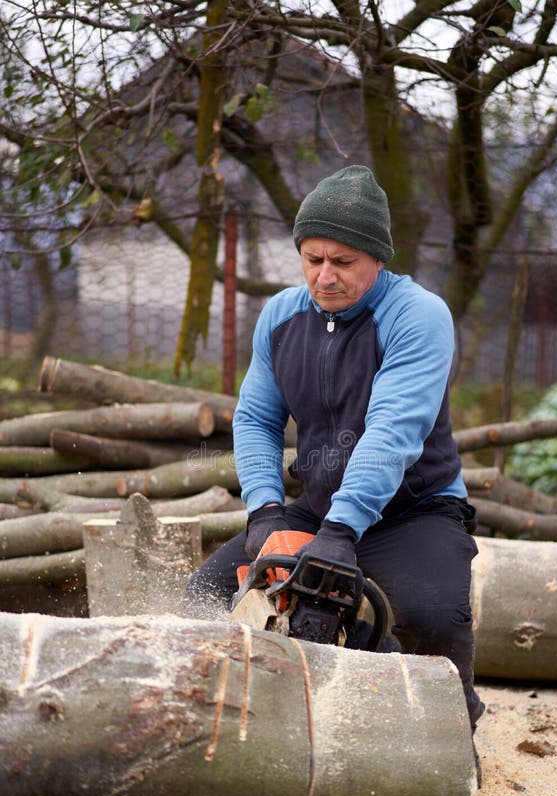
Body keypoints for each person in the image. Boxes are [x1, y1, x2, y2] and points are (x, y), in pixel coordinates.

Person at [185, 164, 485, 733]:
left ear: (378, 259)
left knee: (431, 617)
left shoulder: (417, 316)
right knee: (207, 593)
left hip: (412, 510)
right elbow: (254, 418)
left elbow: (392, 432)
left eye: (343, 262)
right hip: (317, 505)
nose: (325, 276)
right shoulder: (280, 316)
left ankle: (454, 728)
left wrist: (342, 533)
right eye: (313, 259)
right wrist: (266, 510)